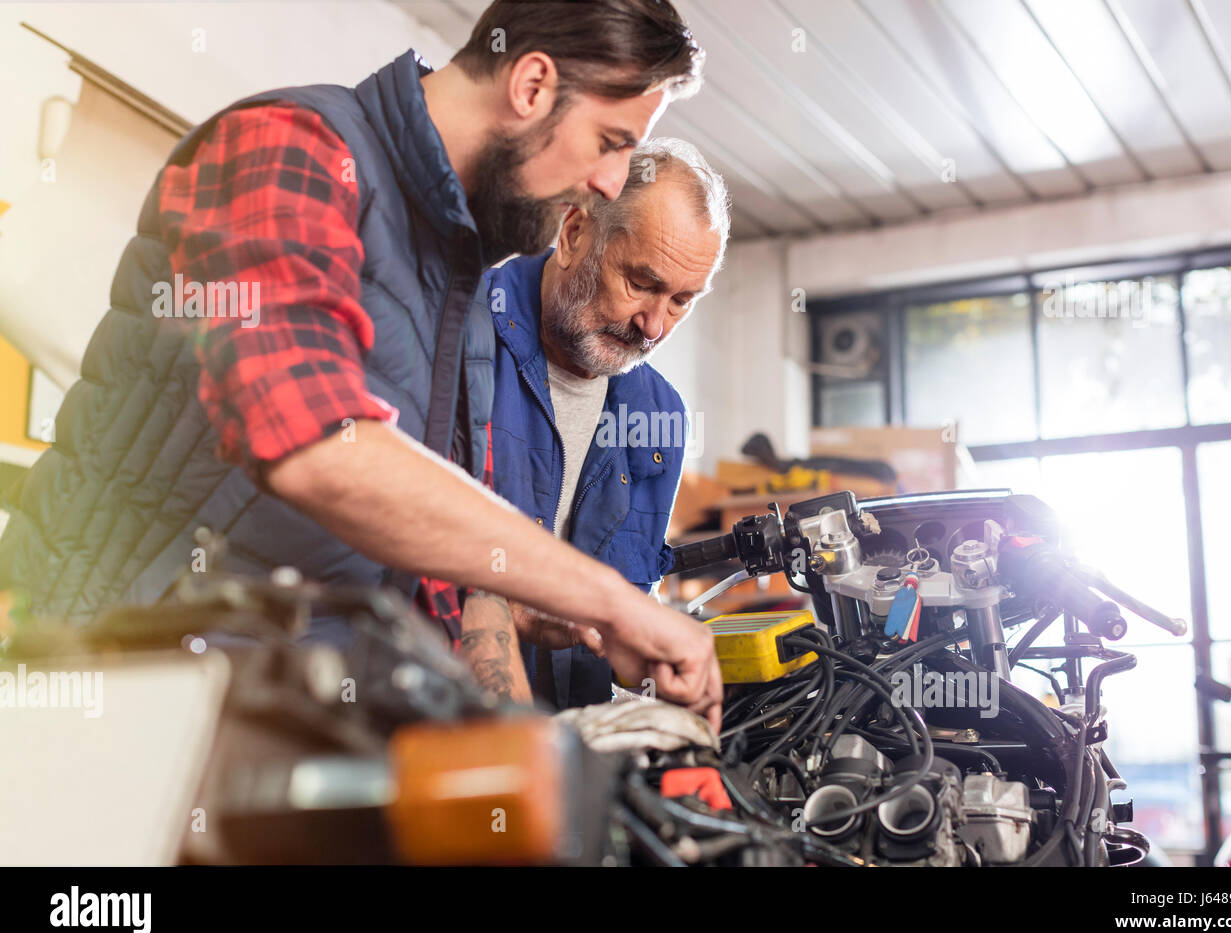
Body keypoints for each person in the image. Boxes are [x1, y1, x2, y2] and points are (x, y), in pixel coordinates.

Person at [0, 0, 722, 727]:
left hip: (270, 728)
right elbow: (314, 445)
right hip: (94, 698)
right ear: (531, 86)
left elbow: (437, 573)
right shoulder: (288, 151)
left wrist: (540, 732)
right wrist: (608, 599)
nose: (609, 180)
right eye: (610, 141)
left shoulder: (463, 285)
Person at [459, 138, 728, 709]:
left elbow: (623, 613)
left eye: (682, 300)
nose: (654, 326)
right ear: (575, 233)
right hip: (432, 738)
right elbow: (407, 567)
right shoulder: (456, 338)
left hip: (576, 747)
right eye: (642, 283)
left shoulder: (659, 418)